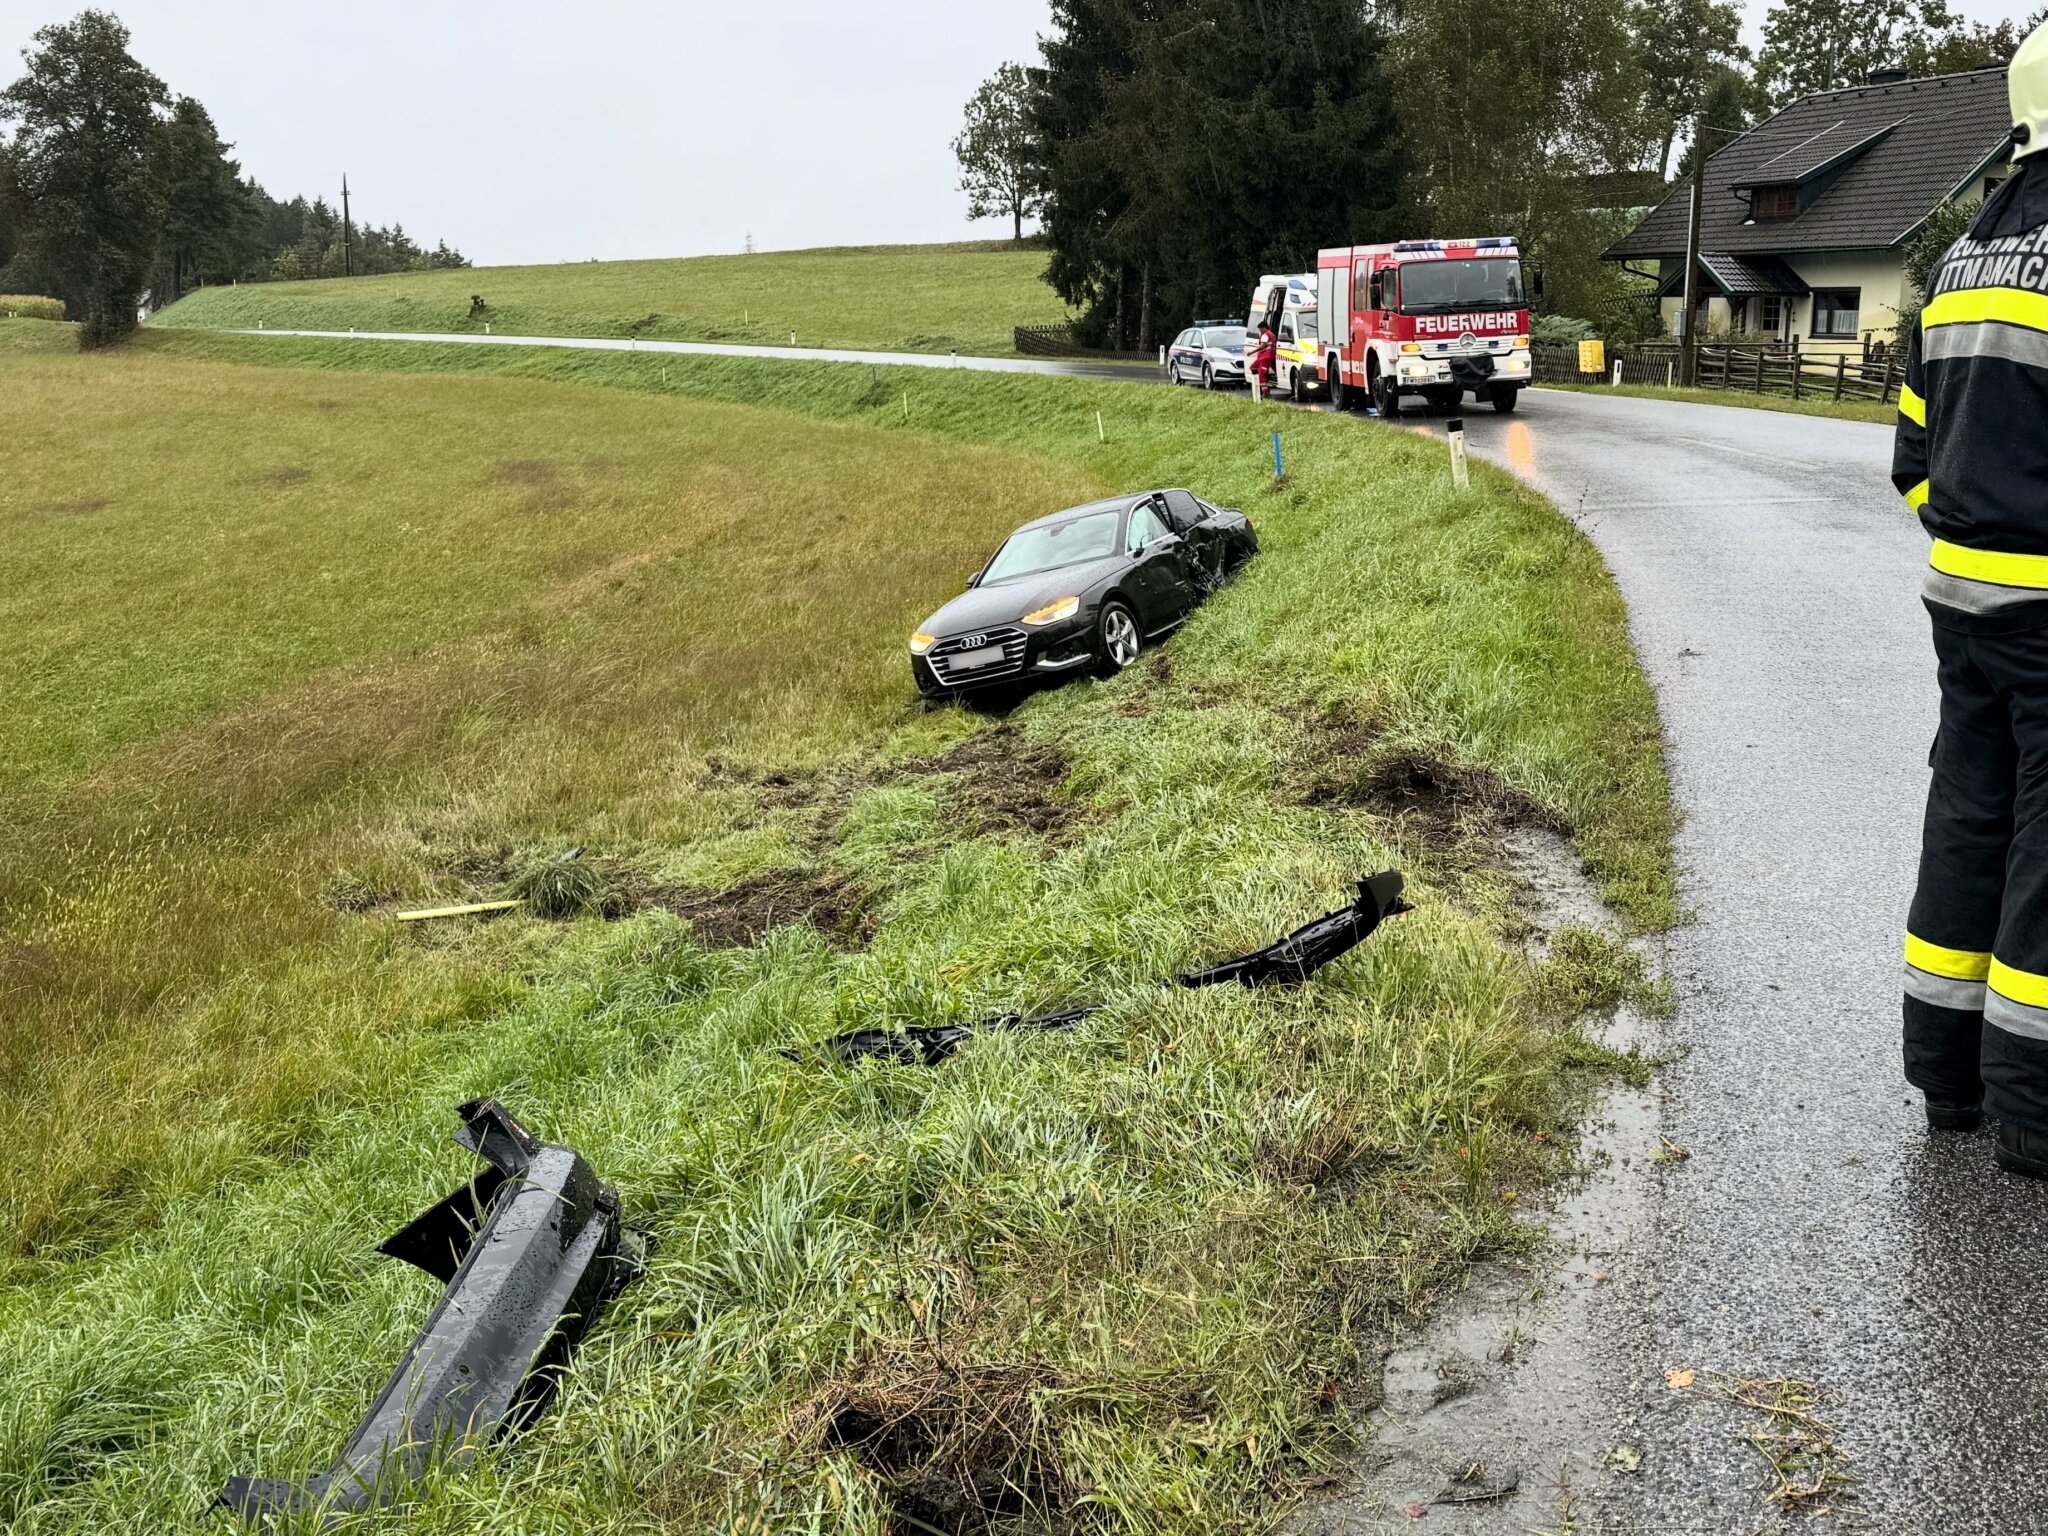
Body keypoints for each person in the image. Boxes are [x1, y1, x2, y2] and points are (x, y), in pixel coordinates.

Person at [1894, 19, 2048, 1176]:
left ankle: (1948, 1082)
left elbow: (1910, 456)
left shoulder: (1962, 253)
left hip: (1960, 600)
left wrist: (1965, 551)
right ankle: (2034, 1111)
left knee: (1967, 818)